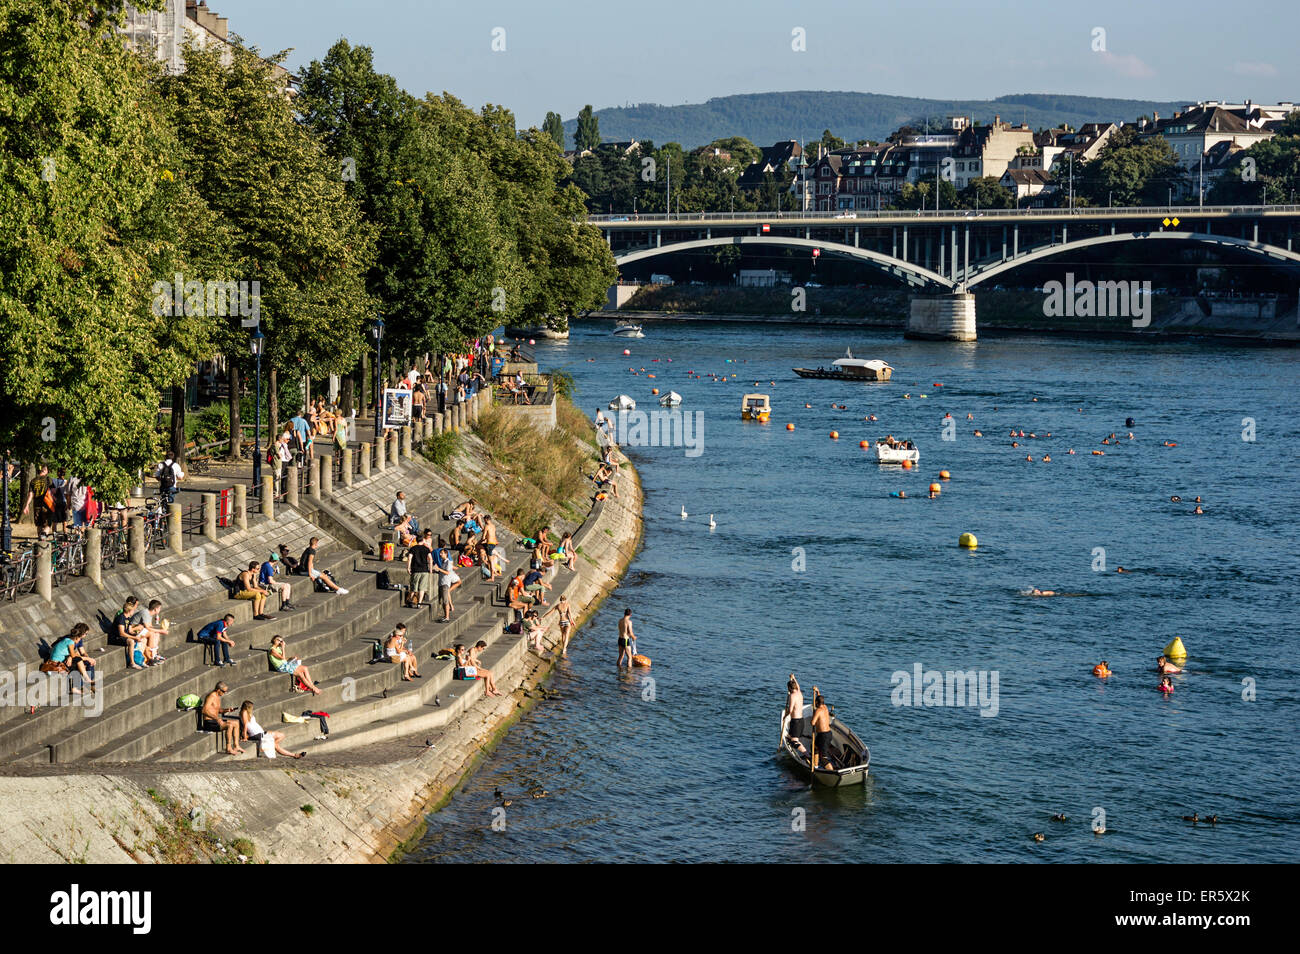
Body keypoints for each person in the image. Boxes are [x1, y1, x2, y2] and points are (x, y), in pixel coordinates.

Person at [238, 700, 303, 759]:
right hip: (257, 734)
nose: (252, 709)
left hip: (260, 733)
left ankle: (295, 755)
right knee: (281, 735)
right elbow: (245, 725)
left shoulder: (246, 713)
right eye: (251, 707)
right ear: (248, 707)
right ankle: (293, 754)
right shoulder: (244, 712)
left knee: (276, 745)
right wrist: (244, 737)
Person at [201, 682, 242, 756]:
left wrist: (226, 710)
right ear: (218, 690)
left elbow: (217, 710)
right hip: (209, 722)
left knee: (236, 723)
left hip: (215, 720)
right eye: (223, 691)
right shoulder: (211, 696)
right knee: (229, 725)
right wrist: (217, 719)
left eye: (226, 691)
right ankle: (228, 748)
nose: (225, 693)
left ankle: (236, 746)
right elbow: (204, 710)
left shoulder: (217, 696)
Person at [113, 596, 151, 670]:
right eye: (133, 610)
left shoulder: (128, 618)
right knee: (131, 641)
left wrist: (137, 634)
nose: (134, 612)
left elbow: (130, 631)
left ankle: (141, 660)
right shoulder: (121, 618)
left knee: (143, 639)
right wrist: (134, 637)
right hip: (116, 638)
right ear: (130, 611)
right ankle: (132, 663)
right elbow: (121, 633)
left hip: (123, 636)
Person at [21, 463, 58, 537]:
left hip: (37, 506)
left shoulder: (33, 481)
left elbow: (31, 494)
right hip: (47, 505)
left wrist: (27, 505)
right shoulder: (48, 479)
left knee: (39, 525)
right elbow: (54, 491)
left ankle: (39, 540)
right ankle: (43, 540)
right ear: (45, 471)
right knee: (47, 525)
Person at [405, 530, 433, 608]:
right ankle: (419, 603)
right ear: (423, 540)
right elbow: (430, 559)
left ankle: (410, 601)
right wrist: (430, 569)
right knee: (422, 588)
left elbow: (409, 558)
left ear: (416, 540)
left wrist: (408, 568)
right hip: (424, 570)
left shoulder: (413, 549)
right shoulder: (426, 549)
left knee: (413, 587)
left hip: (415, 570)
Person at [434, 545, 461, 622]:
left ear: (446, 554)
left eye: (442, 553)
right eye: (440, 553)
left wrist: (438, 569)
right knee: (443, 600)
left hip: (445, 583)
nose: (440, 554)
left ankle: (447, 617)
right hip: (441, 583)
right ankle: (445, 616)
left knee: (445, 601)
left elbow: (447, 572)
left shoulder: (448, 562)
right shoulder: (443, 562)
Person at [810, 691, 833, 770]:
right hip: (827, 734)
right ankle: (816, 766)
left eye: (815, 702)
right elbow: (820, 699)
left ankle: (832, 773)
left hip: (824, 735)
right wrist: (817, 692)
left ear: (816, 702)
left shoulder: (818, 710)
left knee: (823, 758)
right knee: (814, 748)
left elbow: (812, 723)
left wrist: (814, 715)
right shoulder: (825, 707)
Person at [785, 675, 804, 742]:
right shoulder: (799, 692)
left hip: (796, 721)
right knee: (789, 737)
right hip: (801, 720)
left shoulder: (792, 696)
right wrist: (793, 678)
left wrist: (785, 716)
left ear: (789, 688)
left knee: (794, 741)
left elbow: (790, 710)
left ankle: (805, 753)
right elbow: (798, 686)